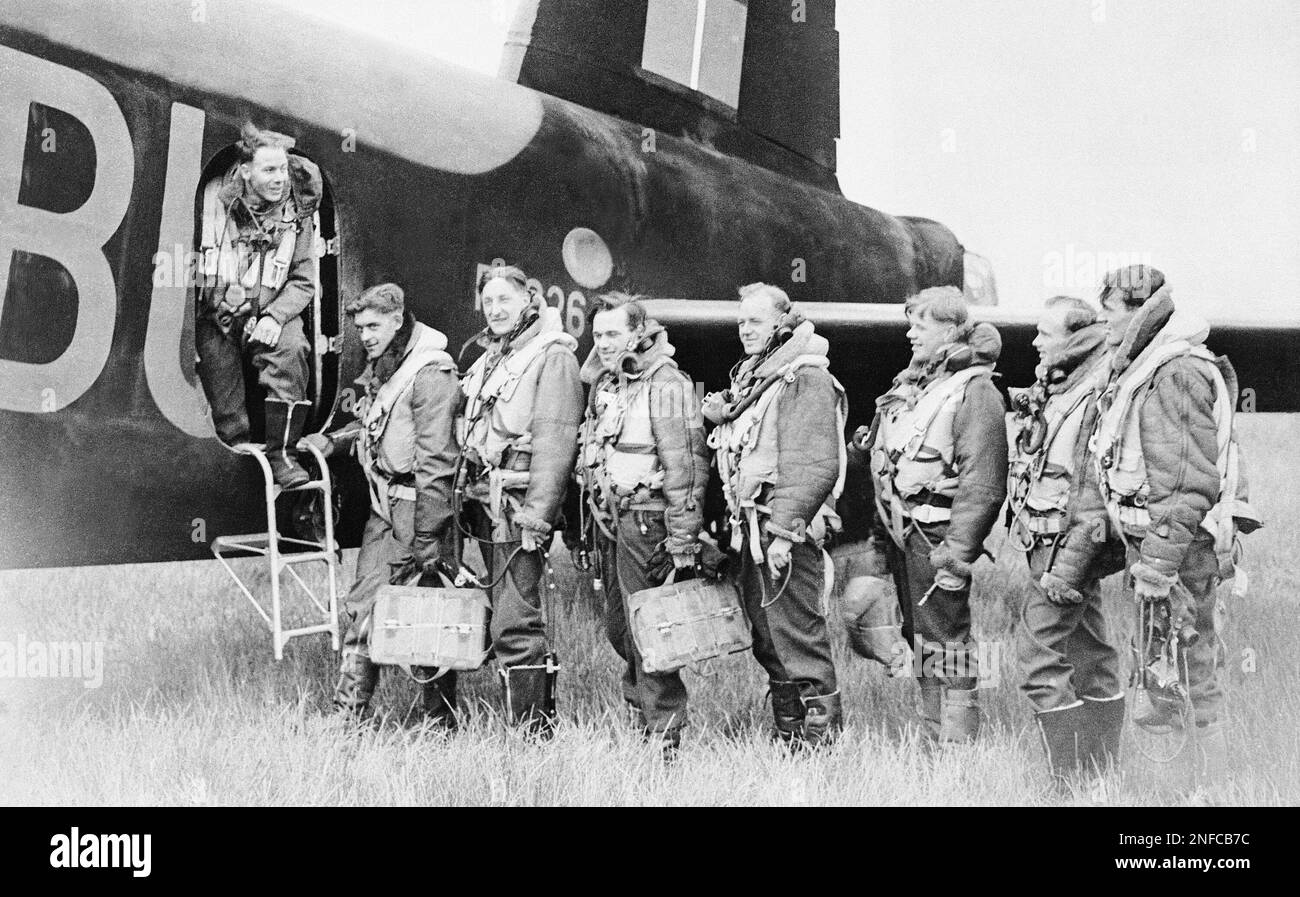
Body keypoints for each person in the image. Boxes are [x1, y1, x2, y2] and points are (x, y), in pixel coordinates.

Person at [1091, 265, 1260, 787]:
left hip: (1179, 549)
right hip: (1164, 546)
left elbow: (1187, 482)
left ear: (1140, 310)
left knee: (1192, 665)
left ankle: (1210, 790)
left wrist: (1159, 565)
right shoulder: (1154, 366)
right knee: (1162, 669)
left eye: (1111, 308)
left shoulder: (1174, 372)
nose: (1102, 318)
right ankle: (1177, 788)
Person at [302, 284, 460, 724]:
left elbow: (438, 462)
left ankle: (440, 722)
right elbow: (376, 426)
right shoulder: (393, 367)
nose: (366, 336)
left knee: (429, 616)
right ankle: (348, 715)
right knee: (363, 605)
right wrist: (333, 441)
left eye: (374, 326)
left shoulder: (430, 372)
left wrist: (429, 537)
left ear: (397, 319)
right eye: (360, 328)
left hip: (420, 510)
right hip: (385, 507)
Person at [861, 286, 1007, 743]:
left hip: (938, 537)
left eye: (919, 326)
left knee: (949, 638)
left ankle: (958, 743)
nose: (910, 335)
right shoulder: (922, 385)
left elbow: (983, 485)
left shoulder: (976, 391)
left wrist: (955, 556)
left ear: (948, 329)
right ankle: (933, 733)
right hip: (908, 533)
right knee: (921, 635)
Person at [703, 283, 846, 746]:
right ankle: (791, 740)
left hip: (784, 534)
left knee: (798, 637)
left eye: (756, 322)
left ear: (782, 324)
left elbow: (813, 462)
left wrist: (784, 532)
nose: (746, 330)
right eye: (741, 322)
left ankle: (822, 751)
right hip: (753, 532)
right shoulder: (758, 380)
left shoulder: (806, 378)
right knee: (769, 638)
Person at [576, 292, 709, 753]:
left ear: (638, 332)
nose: (605, 343)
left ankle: (663, 738)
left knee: (649, 629)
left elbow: (687, 463)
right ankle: (642, 722)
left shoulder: (668, 384)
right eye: (598, 335)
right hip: (610, 519)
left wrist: (683, 537)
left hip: (647, 520)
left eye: (613, 333)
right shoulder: (607, 384)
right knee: (619, 627)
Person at [458, 264, 583, 736]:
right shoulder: (493, 358)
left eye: (504, 300)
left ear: (529, 298)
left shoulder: (552, 356)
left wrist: (537, 517)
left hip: (516, 511)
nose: (495, 310)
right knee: (501, 614)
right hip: (486, 505)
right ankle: (522, 720)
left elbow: (555, 445)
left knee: (514, 620)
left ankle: (532, 733)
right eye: (488, 302)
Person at [1006, 296, 1125, 784]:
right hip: (1048, 538)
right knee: (1089, 649)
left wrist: (1070, 566)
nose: (1034, 341)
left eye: (1044, 333)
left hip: (1065, 545)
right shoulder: (1063, 385)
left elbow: (1093, 490)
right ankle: (1099, 776)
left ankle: (1071, 779)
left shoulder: (1095, 394)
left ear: (1075, 338)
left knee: (1038, 657)